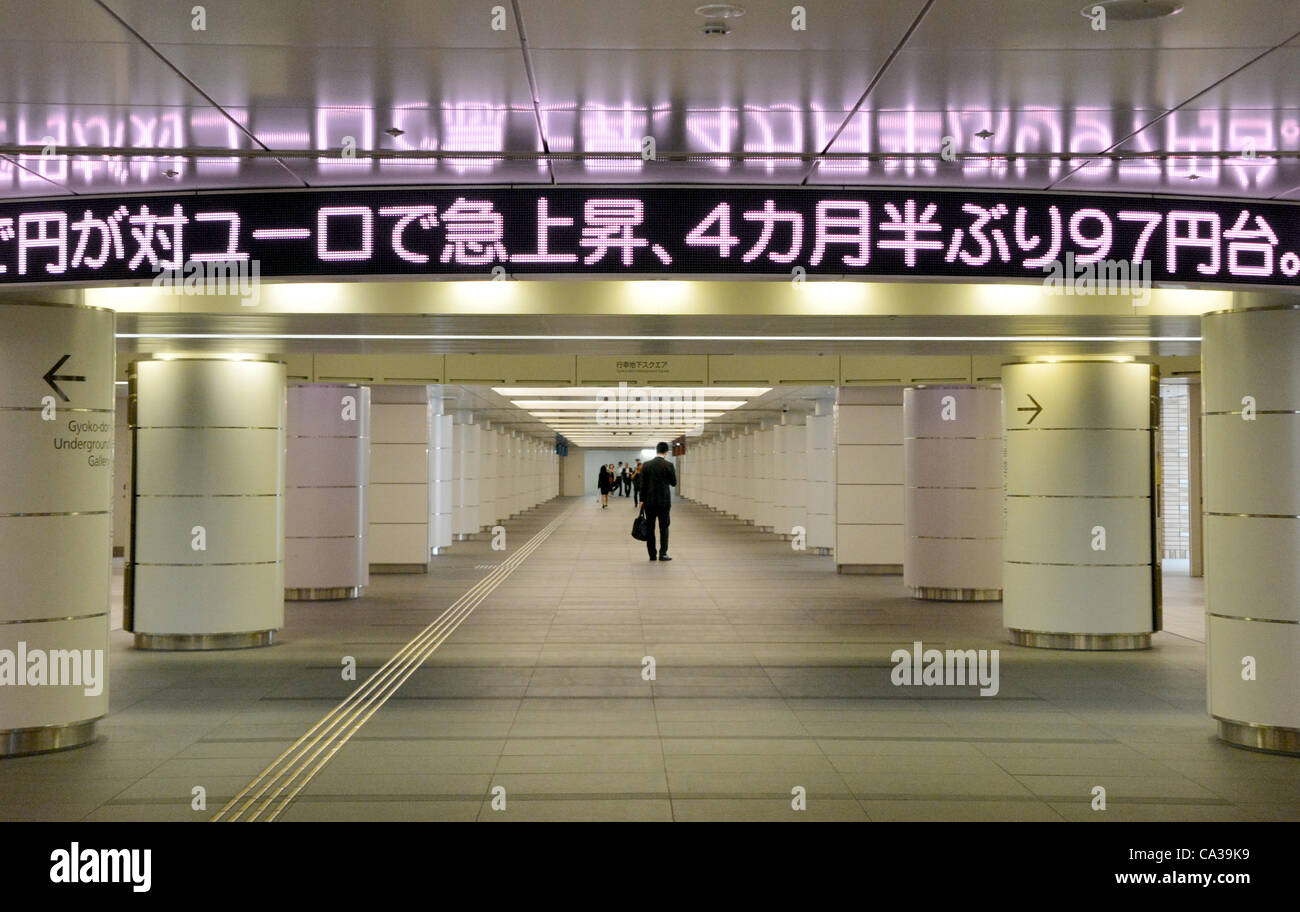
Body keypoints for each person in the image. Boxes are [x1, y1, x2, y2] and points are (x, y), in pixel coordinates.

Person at [638, 442, 677, 561]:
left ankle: (652, 554)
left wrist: (641, 500)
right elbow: (673, 483)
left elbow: (642, 485)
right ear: (666, 452)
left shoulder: (646, 465)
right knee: (664, 527)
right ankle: (663, 553)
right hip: (664, 502)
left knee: (650, 528)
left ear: (656, 451)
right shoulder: (668, 465)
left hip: (649, 502)